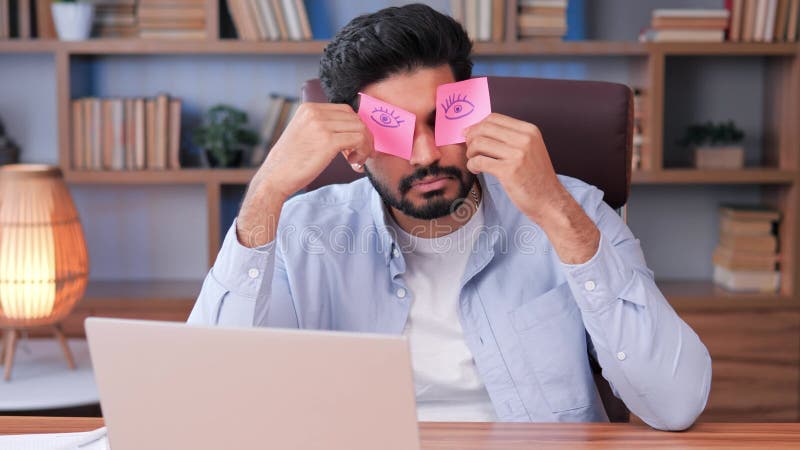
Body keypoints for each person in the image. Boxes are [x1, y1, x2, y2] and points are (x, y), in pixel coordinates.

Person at [188, 3, 711, 430]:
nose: (425, 155)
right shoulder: (302, 230)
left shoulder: (573, 208)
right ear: (353, 146)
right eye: (394, 130)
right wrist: (265, 194)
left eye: (444, 121)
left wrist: (553, 209)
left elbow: (676, 403)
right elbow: (204, 401)